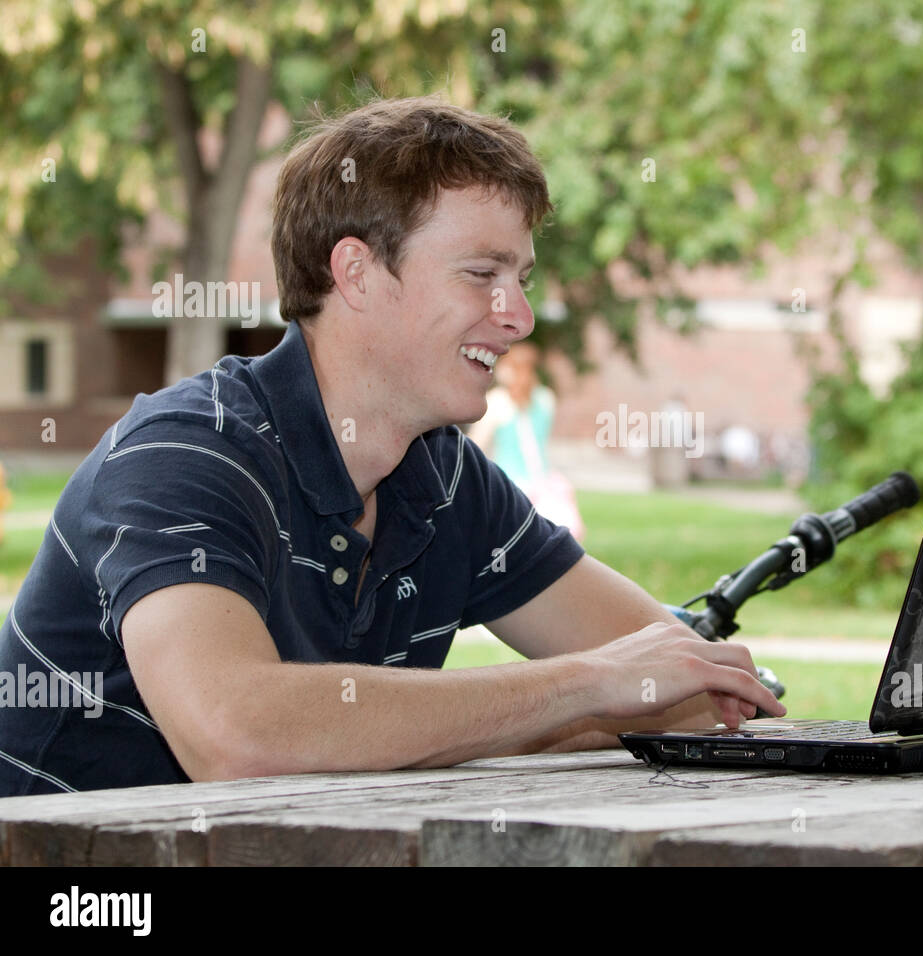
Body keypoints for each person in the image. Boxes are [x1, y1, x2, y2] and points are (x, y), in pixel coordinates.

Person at [0, 96, 783, 796]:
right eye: (482, 273)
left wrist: (598, 692)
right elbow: (236, 734)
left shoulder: (443, 476)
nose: (519, 318)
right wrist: (584, 688)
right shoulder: (185, 456)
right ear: (357, 273)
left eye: (523, 279)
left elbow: (684, 687)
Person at [468, 342, 585, 541]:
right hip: (543, 481)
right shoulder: (546, 399)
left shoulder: (497, 402)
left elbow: (473, 446)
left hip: (510, 485)